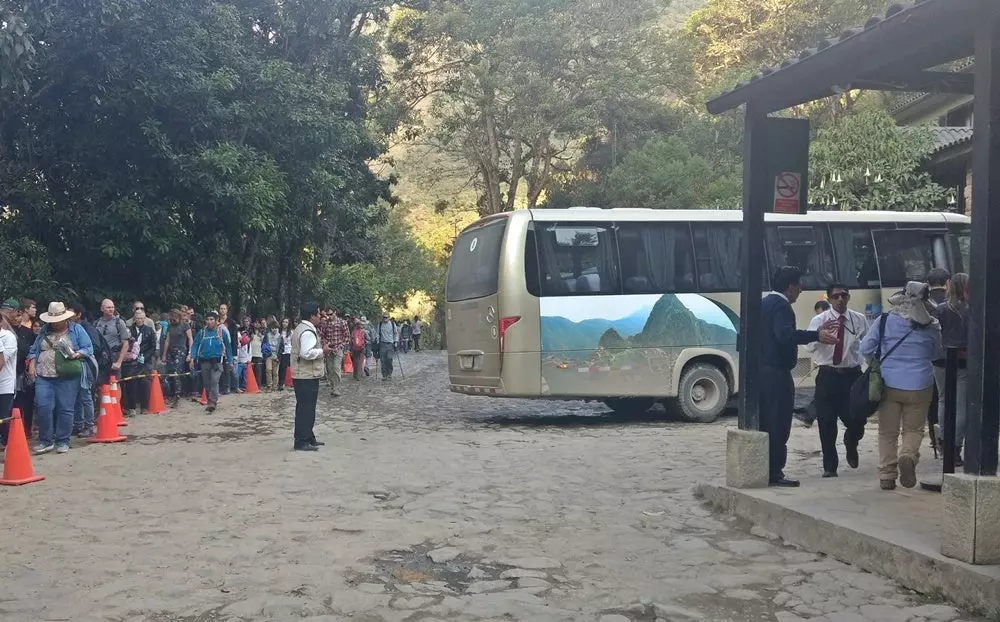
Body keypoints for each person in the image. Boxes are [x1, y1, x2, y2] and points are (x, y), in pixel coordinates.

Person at [760, 266, 838, 487]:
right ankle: (775, 471)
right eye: (799, 285)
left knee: (766, 421)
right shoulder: (781, 306)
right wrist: (817, 335)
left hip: (761, 371)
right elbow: (785, 335)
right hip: (777, 373)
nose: (801, 290)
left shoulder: (763, 304)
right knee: (779, 422)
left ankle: (765, 467)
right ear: (791, 287)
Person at [861, 282, 943, 490]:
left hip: (889, 383)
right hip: (920, 385)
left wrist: (878, 364)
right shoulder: (932, 326)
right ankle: (907, 455)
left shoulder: (885, 320)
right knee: (914, 429)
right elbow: (937, 355)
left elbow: (866, 348)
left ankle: (887, 476)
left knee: (887, 432)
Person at [806, 284, 869, 478]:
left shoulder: (858, 319)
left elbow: (868, 345)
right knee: (826, 421)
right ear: (829, 299)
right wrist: (820, 336)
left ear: (848, 297)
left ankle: (851, 443)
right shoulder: (820, 320)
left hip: (852, 375)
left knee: (857, 419)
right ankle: (829, 465)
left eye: (843, 295)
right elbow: (809, 346)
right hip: (828, 375)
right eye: (835, 296)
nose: (840, 299)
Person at [27, 302, 94, 454]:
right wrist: (32, 363)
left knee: (66, 408)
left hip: (68, 375)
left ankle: (63, 440)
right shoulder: (44, 330)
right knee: (43, 407)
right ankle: (46, 440)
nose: (55, 323)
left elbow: (88, 348)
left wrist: (78, 354)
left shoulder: (76, 329)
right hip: (44, 374)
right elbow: (34, 349)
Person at [933, 273, 970, 466]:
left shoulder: (940, 309)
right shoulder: (971, 310)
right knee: (961, 404)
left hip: (940, 359)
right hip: (964, 360)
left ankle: (943, 440)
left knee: (943, 398)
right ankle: (955, 447)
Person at [291, 303, 330, 451]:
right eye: (319, 314)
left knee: (305, 408)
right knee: (306, 409)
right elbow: (306, 353)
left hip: (302, 374)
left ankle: (308, 437)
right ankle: (302, 441)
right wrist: (322, 351)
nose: (321, 317)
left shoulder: (301, 328)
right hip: (306, 375)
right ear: (312, 315)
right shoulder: (307, 332)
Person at [188, 311, 232, 412]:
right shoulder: (202, 333)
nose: (209, 321)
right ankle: (210, 400)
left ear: (216, 321)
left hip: (217, 362)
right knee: (207, 383)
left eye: (211, 319)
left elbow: (228, 347)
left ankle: (212, 402)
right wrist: (192, 357)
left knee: (214, 381)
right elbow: (195, 345)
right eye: (207, 319)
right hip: (204, 362)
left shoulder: (221, 332)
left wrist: (230, 361)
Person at [70, 303, 102, 437]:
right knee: (76, 398)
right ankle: (79, 425)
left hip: (84, 365)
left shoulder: (85, 328)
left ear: (78, 314)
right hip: (71, 367)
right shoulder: (67, 328)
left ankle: (89, 425)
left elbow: (93, 348)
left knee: (85, 396)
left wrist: (78, 353)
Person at [6, 299, 36, 440]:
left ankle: (26, 429)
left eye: (18, 316)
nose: (17, 319)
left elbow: (31, 350)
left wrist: (31, 364)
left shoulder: (26, 332)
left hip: (22, 374)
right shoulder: (6, 331)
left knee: (25, 402)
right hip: (8, 373)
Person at [122, 307, 156, 417]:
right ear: (134, 319)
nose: (139, 320)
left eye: (141, 318)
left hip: (145, 360)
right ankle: (131, 408)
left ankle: (144, 407)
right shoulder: (128, 330)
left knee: (145, 383)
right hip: (131, 361)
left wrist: (145, 357)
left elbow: (153, 346)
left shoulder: (149, 330)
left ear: (144, 318)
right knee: (131, 383)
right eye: (137, 318)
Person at [162, 309, 193, 407]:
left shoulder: (185, 325)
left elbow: (190, 339)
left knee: (176, 373)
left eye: (175, 318)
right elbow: (167, 340)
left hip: (181, 351)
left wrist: (190, 353)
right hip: (171, 351)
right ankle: (171, 393)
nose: (173, 320)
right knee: (170, 372)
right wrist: (164, 354)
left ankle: (177, 395)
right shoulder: (170, 326)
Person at [95, 299, 130, 379]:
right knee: (101, 384)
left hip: (114, 355)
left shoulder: (119, 322)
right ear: (102, 309)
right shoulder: (96, 323)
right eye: (108, 307)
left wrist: (119, 362)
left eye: (112, 307)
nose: (111, 309)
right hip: (101, 357)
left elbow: (126, 343)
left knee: (115, 383)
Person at [320, 308, 349, 397]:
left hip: (338, 348)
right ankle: (333, 387)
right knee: (330, 369)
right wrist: (325, 345)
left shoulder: (342, 322)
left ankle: (337, 388)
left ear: (335, 313)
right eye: (328, 315)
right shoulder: (325, 324)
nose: (329, 316)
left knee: (337, 368)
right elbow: (322, 336)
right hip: (329, 349)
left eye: (331, 314)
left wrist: (340, 346)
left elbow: (347, 336)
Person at [0, 309, 18, 449]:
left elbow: (2, 361)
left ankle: (10, 446)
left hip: (5, 383)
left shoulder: (8, 337)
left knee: (3, 417)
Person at [377, 313, 398, 380]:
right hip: (382, 344)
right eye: (384, 317)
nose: (385, 318)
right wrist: (377, 340)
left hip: (390, 344)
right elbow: (377, 333)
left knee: (389, 359)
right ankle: (384, 375)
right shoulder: (380, 324)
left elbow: (396, 333)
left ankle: (389, 374)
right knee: (383, 360)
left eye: (386, 317)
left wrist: (396, 341)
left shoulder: (392, 324)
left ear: (389, 317)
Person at [348, 314, 366, 381]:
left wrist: (350, 348)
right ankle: (359, 375)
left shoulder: (353, 331)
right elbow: (367, 339)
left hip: (354, 348)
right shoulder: (363, 331)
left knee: (355, 361)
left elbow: (351, 340)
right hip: (362, 347)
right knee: (360, 361)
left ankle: (355, 375)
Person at [264, 321, 280, 390]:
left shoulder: (280, 336)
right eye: (273, 328)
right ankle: (269, 386)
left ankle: (275, 386)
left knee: (275, 372)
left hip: (276, 356)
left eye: (276, 328)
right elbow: (264, 345)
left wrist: (278, 356)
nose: (274, 329)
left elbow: (281, 347)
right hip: (269, 355)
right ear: (270, 328)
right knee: (268, 370)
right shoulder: (267, 335)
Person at [278, 318, 293, 391]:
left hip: (288, 351)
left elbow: (293, 342)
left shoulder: (291, 332)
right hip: (280, 351)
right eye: (283, 322)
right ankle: (280, 382)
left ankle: (285, 382)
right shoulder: (279, 332)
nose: (284, 323)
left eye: (286, 322)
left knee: (286, 367)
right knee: (281, 367)